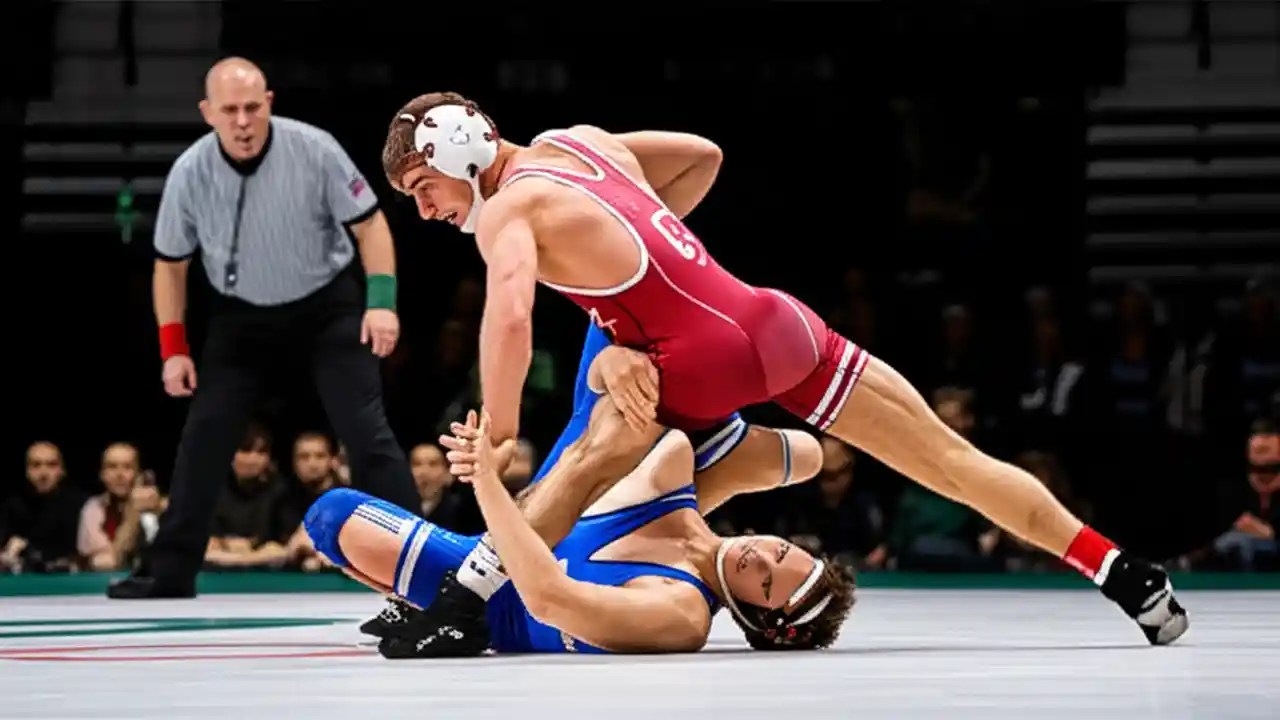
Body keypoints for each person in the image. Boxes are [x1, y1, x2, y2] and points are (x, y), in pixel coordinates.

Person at [377, 91, 1190, 654]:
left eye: (423, 187)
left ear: (462, 145)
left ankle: (461, 605)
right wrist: (633, 274)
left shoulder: (513, 211)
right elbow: (702, 158)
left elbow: (511, 316)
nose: (425, 209)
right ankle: (1121, 572)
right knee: (951, 462)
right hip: (775, 322)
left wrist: (504, 429)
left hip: (694, 361)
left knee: (586, 466)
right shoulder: (581, 145)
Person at [107, 57, 418, 632]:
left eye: (253, 107)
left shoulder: (315, 149)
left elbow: (371, 224)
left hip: (327, 305)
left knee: (365, 431)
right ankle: (170, 570)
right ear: (208, 114)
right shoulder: (190, 172)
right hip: (242, 317)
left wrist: (381, 303)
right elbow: (170, 265)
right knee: (203, 437)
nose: (244, 121)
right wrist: (173, 347)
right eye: (230, 111)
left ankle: (419, 568)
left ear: (269, 101)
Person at [304, 349, 853, 655]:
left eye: (764, 579)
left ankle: (448, 598)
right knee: (793, 452)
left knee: (330, 517)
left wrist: (486, 484)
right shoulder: (677, 476)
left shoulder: (680, 612)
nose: (758, 554)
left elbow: (545, 597)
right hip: (548, 497)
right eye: (779, 551)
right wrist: (611, 361)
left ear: (757, 617)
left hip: (500, 603)